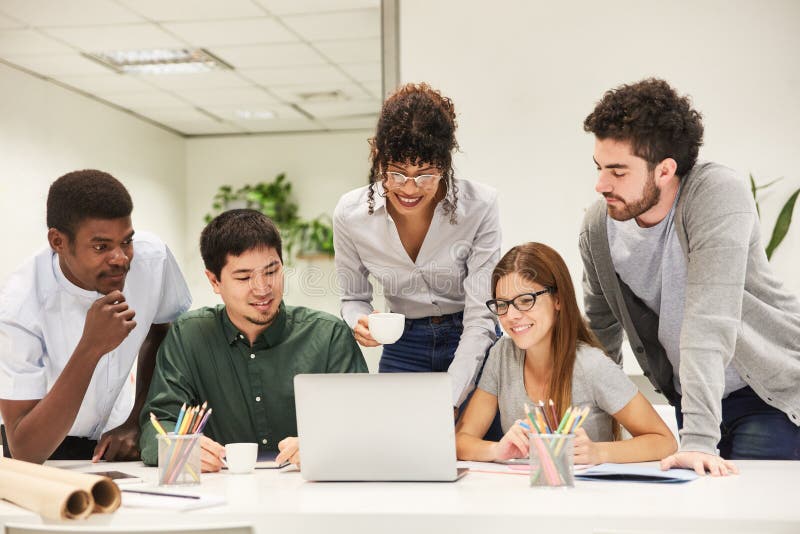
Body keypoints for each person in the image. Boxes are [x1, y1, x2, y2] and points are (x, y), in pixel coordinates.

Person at [580, 78, 800, 474]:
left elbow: (708, 321)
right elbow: (601, 331)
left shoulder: (715, 193)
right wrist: (601, 428)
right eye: (599, 168)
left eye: (617, 171)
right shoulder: (599, 226)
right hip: (690, 397)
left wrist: (698, 440)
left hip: (768, 393)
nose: (601, 184)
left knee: (747, 512)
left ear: (664, 170)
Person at [140, 209, 367, 471]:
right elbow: (157, 425)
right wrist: (176, 447)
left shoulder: (329, 336)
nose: (262, 288)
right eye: (244, 277)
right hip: (220, 495)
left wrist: (327, 444)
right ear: (214, 280)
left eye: (272, 271)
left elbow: (363, 423)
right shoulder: (189, 335)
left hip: (308, 490)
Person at [0, 170, 191, 463]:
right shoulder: (19, 306)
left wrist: (137, 419)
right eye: (101, 247)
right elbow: (25, 451)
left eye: (126, 241)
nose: (120, 258)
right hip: (46, 448)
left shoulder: (153, 258)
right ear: (58, 242)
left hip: (118, 440)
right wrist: (91, 347)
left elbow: (164, 330)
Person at [333, 82, 501, 414]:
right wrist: (360, 322)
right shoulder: (351, 215)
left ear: (444, 165)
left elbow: (481, 315)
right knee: (399, 452)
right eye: (396, 173)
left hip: (470, 336)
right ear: (378, 159)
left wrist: (451, 396)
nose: (410, 188)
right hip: (404, 342)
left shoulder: (479, 207)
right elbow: (353, 299)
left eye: (425, 175)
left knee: (480, 447)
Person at [455, 242, 677, 464]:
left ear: (558, 299)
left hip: (586, 493)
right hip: (525, 493)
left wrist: (598, 453)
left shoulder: (592, 365)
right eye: (502, 304)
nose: (511, 315)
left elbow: (664, 441)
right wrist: (497, 450)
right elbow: (461, 441)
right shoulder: (502, 355)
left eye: (525, 301)